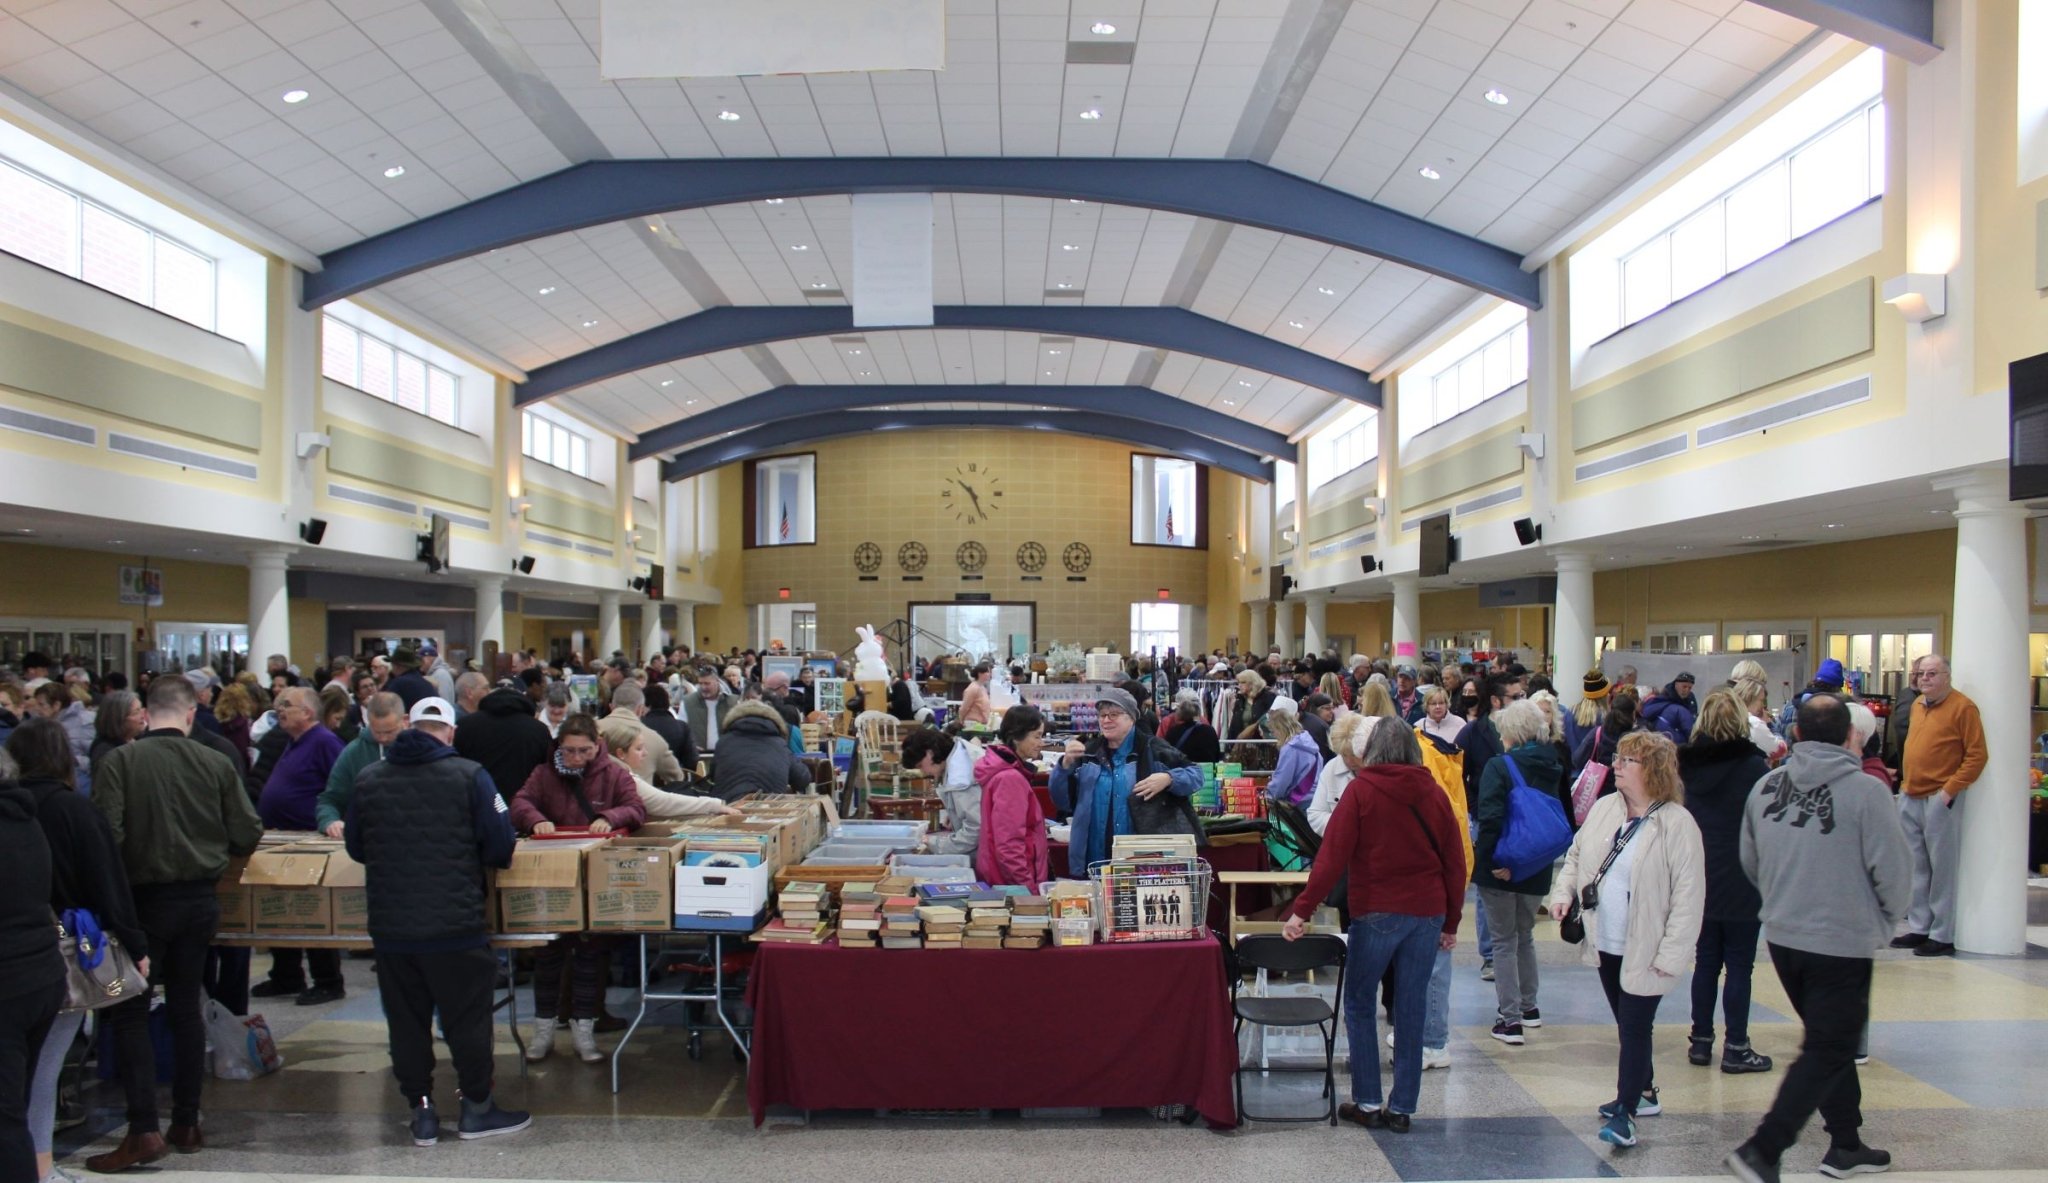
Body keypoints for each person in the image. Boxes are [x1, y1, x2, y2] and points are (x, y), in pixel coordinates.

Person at [1725, 695, 1910, 1183]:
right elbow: (1893, 872)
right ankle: (1764, 1150)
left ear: (1798, 735)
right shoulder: (1867, 792)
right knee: (1830, 1046)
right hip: (1840, 939)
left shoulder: (1766, 786)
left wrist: (1783, 899)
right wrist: (1886, 922)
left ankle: (1845, 1143)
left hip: (1784, 937)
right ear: (1852, 736)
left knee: (1831, 1038)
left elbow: (1750, 858)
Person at [90, 676, 262, 1171]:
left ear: (145, 713)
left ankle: (142, 1129)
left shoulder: (118, 762)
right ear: (190, 714)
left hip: (141, 903)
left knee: (130, 1011)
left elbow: (109, 838)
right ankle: (187, 1121)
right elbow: (247, 831)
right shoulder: (215, 760)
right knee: (188, 1005)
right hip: (200, 901)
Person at [344, 696, 528, 1145]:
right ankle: (476, 1109)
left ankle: (421, 1111)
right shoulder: (472, 776)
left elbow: (355, 846)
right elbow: (501, 843)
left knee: (406, 1023)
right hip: (455, 924)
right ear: (449, 732)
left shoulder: (368, 778)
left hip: (391, 930)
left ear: (410, 728)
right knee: (466, 1021)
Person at [1282, 723, 1464, 1132]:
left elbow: (1332, 858)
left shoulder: (1361, 791)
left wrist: (1301, 910)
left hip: (1376, 910)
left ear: (1373, 750)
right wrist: (1451, 921)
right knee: (1411, 1007)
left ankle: (1367, 1100)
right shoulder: (1434, 793)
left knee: (1361, 1003)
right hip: (1427, 912)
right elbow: (1454, 863)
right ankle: (1403, 1107)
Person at [1548, 731, 1705, 1148]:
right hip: (1606, 940)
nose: (1617, 765)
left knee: (1635, 1028)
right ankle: (1647, 1091)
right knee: (1627, 1022)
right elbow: (1577, 858)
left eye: (1628, 761)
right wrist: (1562, 895)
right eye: (1618, 757)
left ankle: (1626, 1112)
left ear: (1653, 770)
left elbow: (1689, 899)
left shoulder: (1676, 824)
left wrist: (1671, 956)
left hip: (1648, 948)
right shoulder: (1604, 809)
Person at [10, 721, 143, 1183]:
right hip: (67, 957)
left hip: (21, 955)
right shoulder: (74, 810)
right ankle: (41, 1166)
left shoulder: (16, 815)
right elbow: (108, 882)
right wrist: (135, 942)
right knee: (45, 1072)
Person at [510, 716, 645, 1063]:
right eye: (568, 751)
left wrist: (612, 817)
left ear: (597, 744)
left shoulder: (614, 773)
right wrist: (535, 819)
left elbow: (636, 808)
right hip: (552, 874)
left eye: (584, 750)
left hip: (595, 875)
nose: (576, 758)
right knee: (548, 955)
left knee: (590, 956)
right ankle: (543, 1032)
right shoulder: (544, 774)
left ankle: (584, 1032)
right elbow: (520, 803)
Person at [1679, 692, 1775, 1075]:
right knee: (1739, 965)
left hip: (1699, 871)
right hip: (1742, 872)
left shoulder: (1685, 766)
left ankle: (1700, 1041)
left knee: (1705, 961)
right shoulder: (1754, 769)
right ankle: (1737, 1045)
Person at [1470, 698, 1565, 1046]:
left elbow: (1491, 817)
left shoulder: (1500, 766)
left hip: (1503, 861)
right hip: (1538, 864)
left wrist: (1489, 863)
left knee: (1502, 941)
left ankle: (1509, 1020)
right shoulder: (1553, 762)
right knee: (1524, 936)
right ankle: (1530, 1007)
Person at [253, 687, 348, 1006]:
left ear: (307, 712)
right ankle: (286, 974)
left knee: (313, 912)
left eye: (287, 705)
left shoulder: (324, 742)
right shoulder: (291, 741)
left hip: (311, 842)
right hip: (284, 842)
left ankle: (328, 980)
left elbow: (341, 787)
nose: (279, 709)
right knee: (283, 911)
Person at [0, 747, 66, 1183]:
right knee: (14, 1105)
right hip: (40, 974)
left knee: (4, 1120)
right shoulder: (26, 820)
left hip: (10, 980)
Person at [1051, 688, 1202, 871]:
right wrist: (1064, 766)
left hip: (1141, 860)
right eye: (1102, 715)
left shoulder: (1152, 749)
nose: (1106, 720)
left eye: (1114, 714)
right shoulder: (1088, 753)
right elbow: (1062, 801)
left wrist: (1169, 778)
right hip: (1092, 860)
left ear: (1131, 717)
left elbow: (1196, 775)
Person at [1892, 654, 1981, 958]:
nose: (1925, 678)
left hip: (1939, 798)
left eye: (1932, 673)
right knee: (1916, 865)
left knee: (1941, 867)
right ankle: (1919, 926)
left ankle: (1941, 933)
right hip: (1911, 794)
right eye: (1920, 673)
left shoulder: (1963, 707)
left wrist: (1949, 791)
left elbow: (1976, 756)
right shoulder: (1918, 705)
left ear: (1947, 677)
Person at [971, 705, 1050, 887]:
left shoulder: (1004, 771)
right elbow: (1009, 844)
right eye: (1037, 736)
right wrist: (1028, 889)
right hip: (1009, 884)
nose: (1041, 742)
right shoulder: (1009, 778)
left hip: (998, 876)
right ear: (1016, 737)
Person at [597, 718, 737, 820]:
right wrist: (714, 805)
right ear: (621, 753)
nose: (645, 753)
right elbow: (664, 802)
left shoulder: (610, 772)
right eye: (639, 748)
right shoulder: (624, 778)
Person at [317, 692, 407, 838]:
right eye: (377, 732)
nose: (383, 738)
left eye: (390, 732)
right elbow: (330, 800)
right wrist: (330, 821)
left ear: (405, 721)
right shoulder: (353, 752)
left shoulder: (419, 750)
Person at [454, 681, 555, 808]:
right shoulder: (538, 730)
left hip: (476, 803)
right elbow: (548, 770)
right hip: (524, 805)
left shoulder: (465, 725)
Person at [902, 728, 983, 860]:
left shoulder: (960, 777)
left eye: (921, 765)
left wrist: (935, 844)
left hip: (989, 852)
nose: (923, 772)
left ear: (929, 754)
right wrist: (956, 812)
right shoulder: (958, 752)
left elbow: (975, 830)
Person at [706, 701, 811, 803]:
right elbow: (802, 779)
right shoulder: (779, 745)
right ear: (774, 721)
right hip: (767, 813)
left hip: (728, 811)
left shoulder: (724, 742)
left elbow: (713, 775)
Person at [602, 683, 684, 785]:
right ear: (640, 709)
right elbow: (677, 778)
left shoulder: (590, 731)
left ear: (611, 706)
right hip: (642, 798)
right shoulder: (655, 739)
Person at [25, 684, 93, 793]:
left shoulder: (83, 723)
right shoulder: (45, 725)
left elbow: (97, 758)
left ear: (56, 705)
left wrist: (74, 760)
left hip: (82, 784)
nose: (37, 709)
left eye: (41, 704)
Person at [1264, 698, 1322, 809]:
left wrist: (1268, 796)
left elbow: (1282, 780)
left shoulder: (1290, 748)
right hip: (1315, 799)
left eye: (1273, 731)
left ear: (1280, 728)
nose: (1274, 735)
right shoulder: (1308, 741)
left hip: (1298, 804)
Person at [638, 684, 699, 777]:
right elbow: (691, 762)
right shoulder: (682, 727)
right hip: (674, 780)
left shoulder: (639, 725)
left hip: (646, 779)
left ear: (647, 705)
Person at [89, 689, 147, 781]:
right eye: (136, 712)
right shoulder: (106, 753)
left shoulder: (140, 740)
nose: (143, 716)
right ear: (118, 718)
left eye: (141, 710)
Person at [681, 669, 736, 755]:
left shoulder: (733, 702)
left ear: (717, 682)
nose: (703, 687)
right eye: (700, 684)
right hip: (698, 755)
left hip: (727, 754)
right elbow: (682, 730)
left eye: (707, 683)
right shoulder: (687, 702)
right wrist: (689, 746)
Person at [1160, 691, 1222, 764]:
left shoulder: (1172, 730)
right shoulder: (1208, 729)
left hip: (1181, 772)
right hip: (1206, 772)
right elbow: (1217, 754)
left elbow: (1163, 750)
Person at [957, 663, 994, 727]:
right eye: (987, 672)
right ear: (980, 673)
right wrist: (960, 721)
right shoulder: (973, 689)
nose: (989, 674)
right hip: (972, 725)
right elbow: (964, 707)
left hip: (981, 725)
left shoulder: (982, 687)